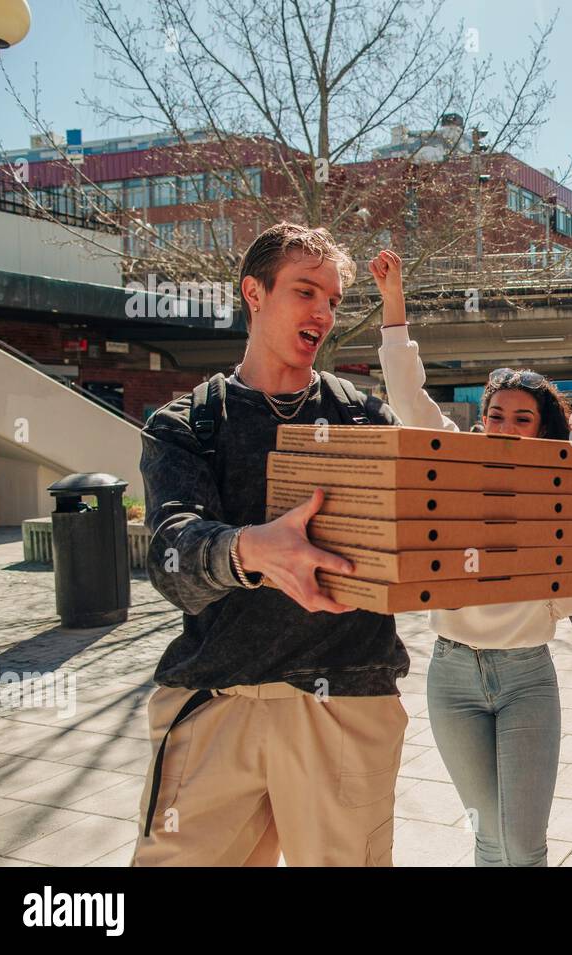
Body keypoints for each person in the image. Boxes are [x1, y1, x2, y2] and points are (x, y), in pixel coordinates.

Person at [372, 249, 572, 865]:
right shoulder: (454, 467)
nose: (505, 426)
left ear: (543, 431)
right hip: (451, 675)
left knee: (521, 842)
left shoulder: (566, 479)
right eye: (495, 416)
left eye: (522, 419)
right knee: (488, 838)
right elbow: (410, 401)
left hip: (525, 680)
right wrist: (393, 300)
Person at [133, 223, 412, 866]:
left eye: (335, 300)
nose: (323, 311)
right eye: (306, 291)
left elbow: (424, 521)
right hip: (215, 705)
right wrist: (249, 551)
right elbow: (170, 556)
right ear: (253, 293)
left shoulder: (365, 420)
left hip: (343, 702)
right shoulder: (185, 423)